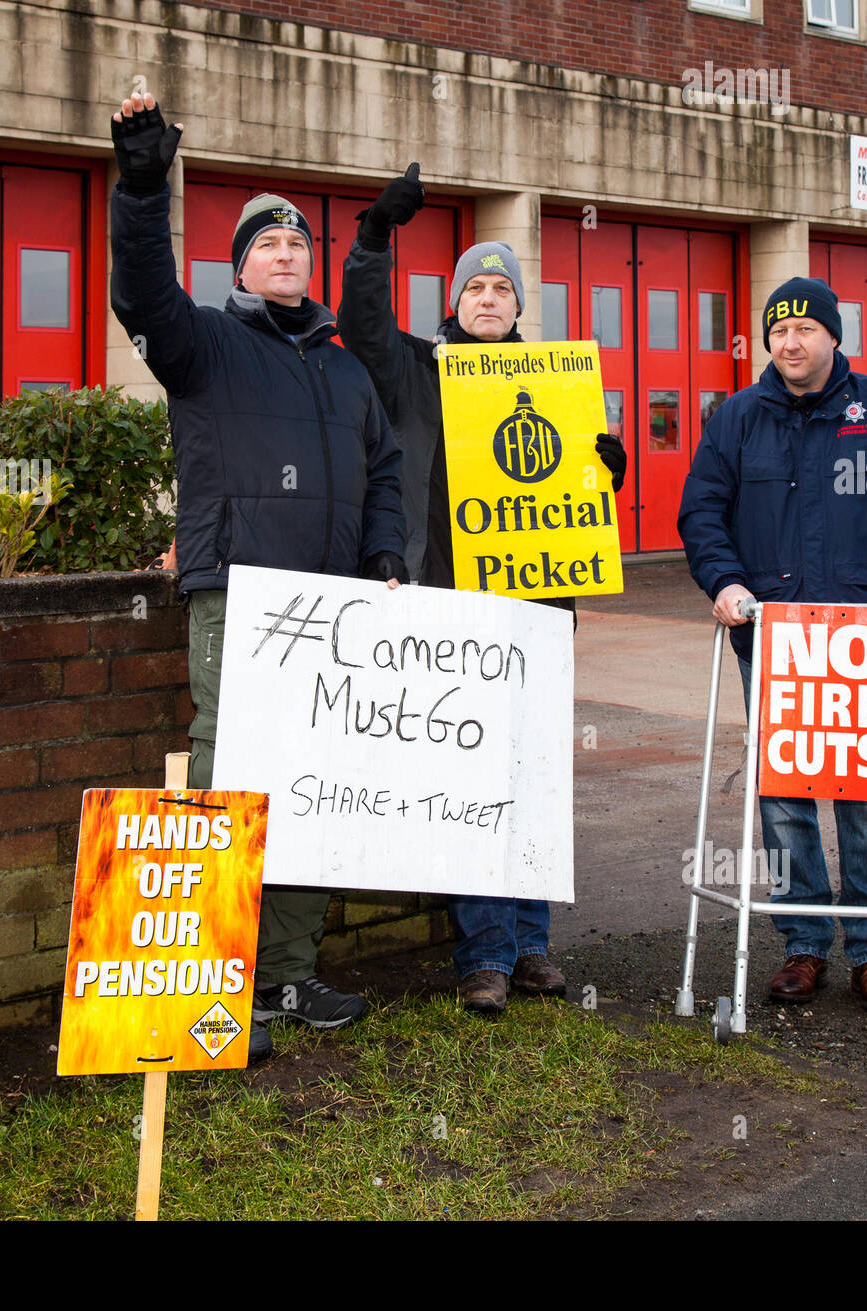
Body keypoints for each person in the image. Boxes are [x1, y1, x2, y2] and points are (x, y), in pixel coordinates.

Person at [109, 94, 408, 1051]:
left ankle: (282, 976)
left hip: (332, 606)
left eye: (297, 245)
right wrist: (142, 188)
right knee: (225, 775)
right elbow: (139, 293)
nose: (286, 255)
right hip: (237, 593)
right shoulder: (202, 342)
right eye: (267, 245)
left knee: (309, 783)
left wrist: (385, 551)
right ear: (239, 265)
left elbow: (385, 468)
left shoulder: (344, 366)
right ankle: (206, 986)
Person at [338, 164, 627, 1014]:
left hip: (536, 608)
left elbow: (567, 494)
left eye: (503, 288)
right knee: (468, 780)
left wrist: (602, 469)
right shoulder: (414, 368)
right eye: (476, 286)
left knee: (533, 777)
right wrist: (373, 237)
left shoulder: (552, 382)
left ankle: (533, 944)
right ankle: (485, 954)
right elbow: (360, 321)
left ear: (518, 305)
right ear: (455, 301)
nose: (490, 298)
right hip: (451, 606)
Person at [677, 276, 867, 1012]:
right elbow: (702, 511)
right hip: (772, 636)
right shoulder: (739, 417)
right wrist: (725, 582)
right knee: (785, 795)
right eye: (778, 331)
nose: (790, 342)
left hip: (861, 636)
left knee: (863, 796)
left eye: (805, 329)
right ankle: (802, 943)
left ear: (834, 336)